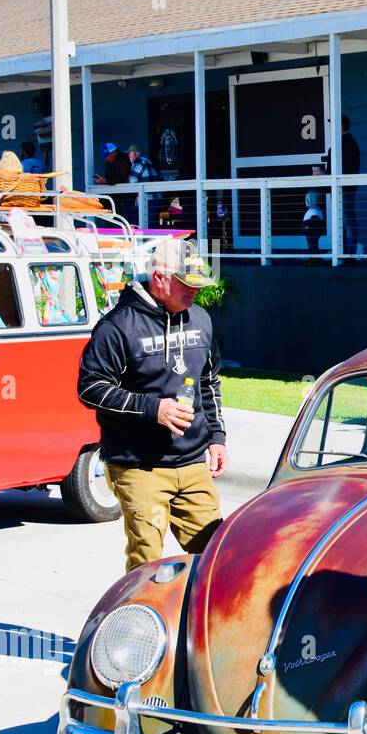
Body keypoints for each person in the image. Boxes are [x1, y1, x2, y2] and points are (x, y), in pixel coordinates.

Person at [77, 240, 227, 572]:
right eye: (186, 283)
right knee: (146, 563)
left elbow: (209, 382)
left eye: (198, 282)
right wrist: (152, 408)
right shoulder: (117, 327)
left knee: (216, 557)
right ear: (159, 278)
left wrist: (217, 437)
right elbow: (90, 388)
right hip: (138, 465)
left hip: (192, 464)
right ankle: (136, 620)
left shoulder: (200, 320)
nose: (195, 291)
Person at [319, 114, 361, 254]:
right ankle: (344, 253)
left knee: (347, 221)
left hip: (345, 189)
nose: (331, 128)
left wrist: (323, 174)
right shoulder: (345, 143)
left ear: (341, 126)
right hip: (343, 189)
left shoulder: (345, 144)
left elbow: (343, 169)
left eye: (334, 125)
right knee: (343, 221)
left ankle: (349, 254)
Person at [302, 190, 325, 255]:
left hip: (311, 232)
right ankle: (314, 258)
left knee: (312, 245)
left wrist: (308, 226)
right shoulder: (315, 210)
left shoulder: (314, 211)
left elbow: (315, 219)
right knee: (312, 244)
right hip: (311, 232)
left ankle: (314, 258)